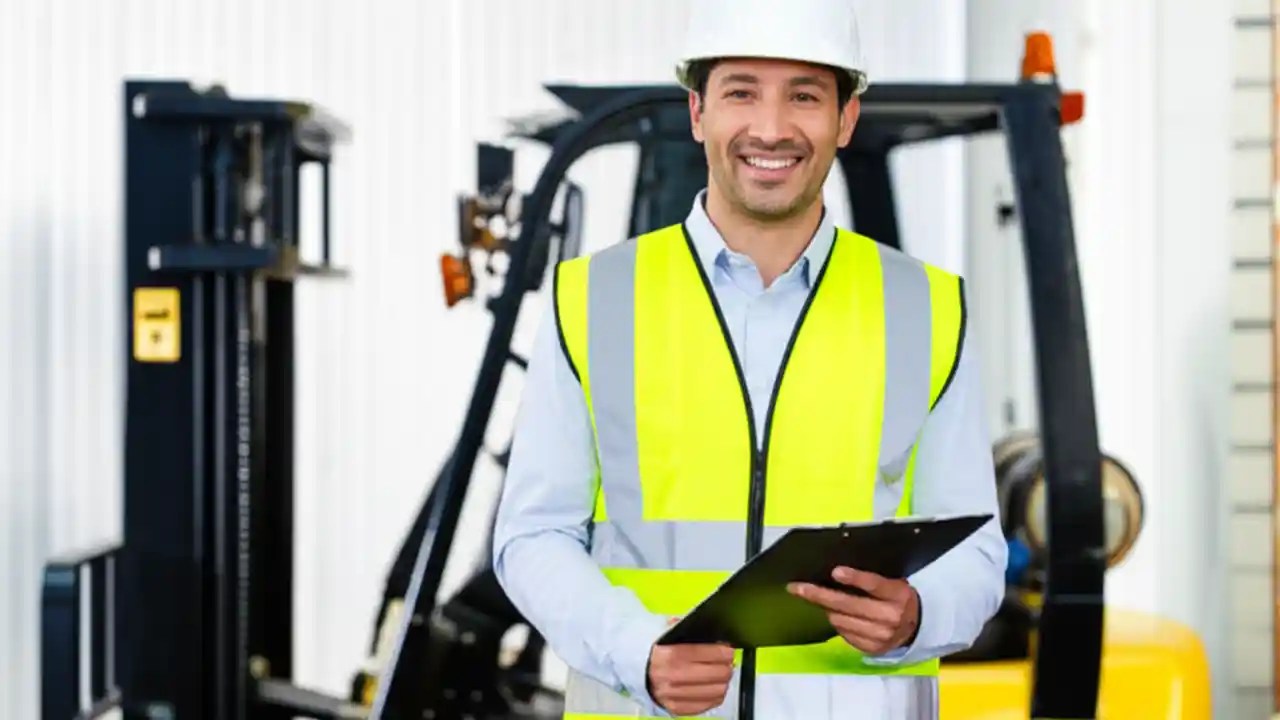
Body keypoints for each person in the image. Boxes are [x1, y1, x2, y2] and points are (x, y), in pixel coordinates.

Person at [491, 0, 1008, 717]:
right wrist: (634, 648)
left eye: (804, 95)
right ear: (698, 111)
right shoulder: (592, 297)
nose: (771, 128)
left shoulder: (927, 306)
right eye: (742, 92)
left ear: (845, 118)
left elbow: (977, 553)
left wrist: (918, 614)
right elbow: (533, 536)